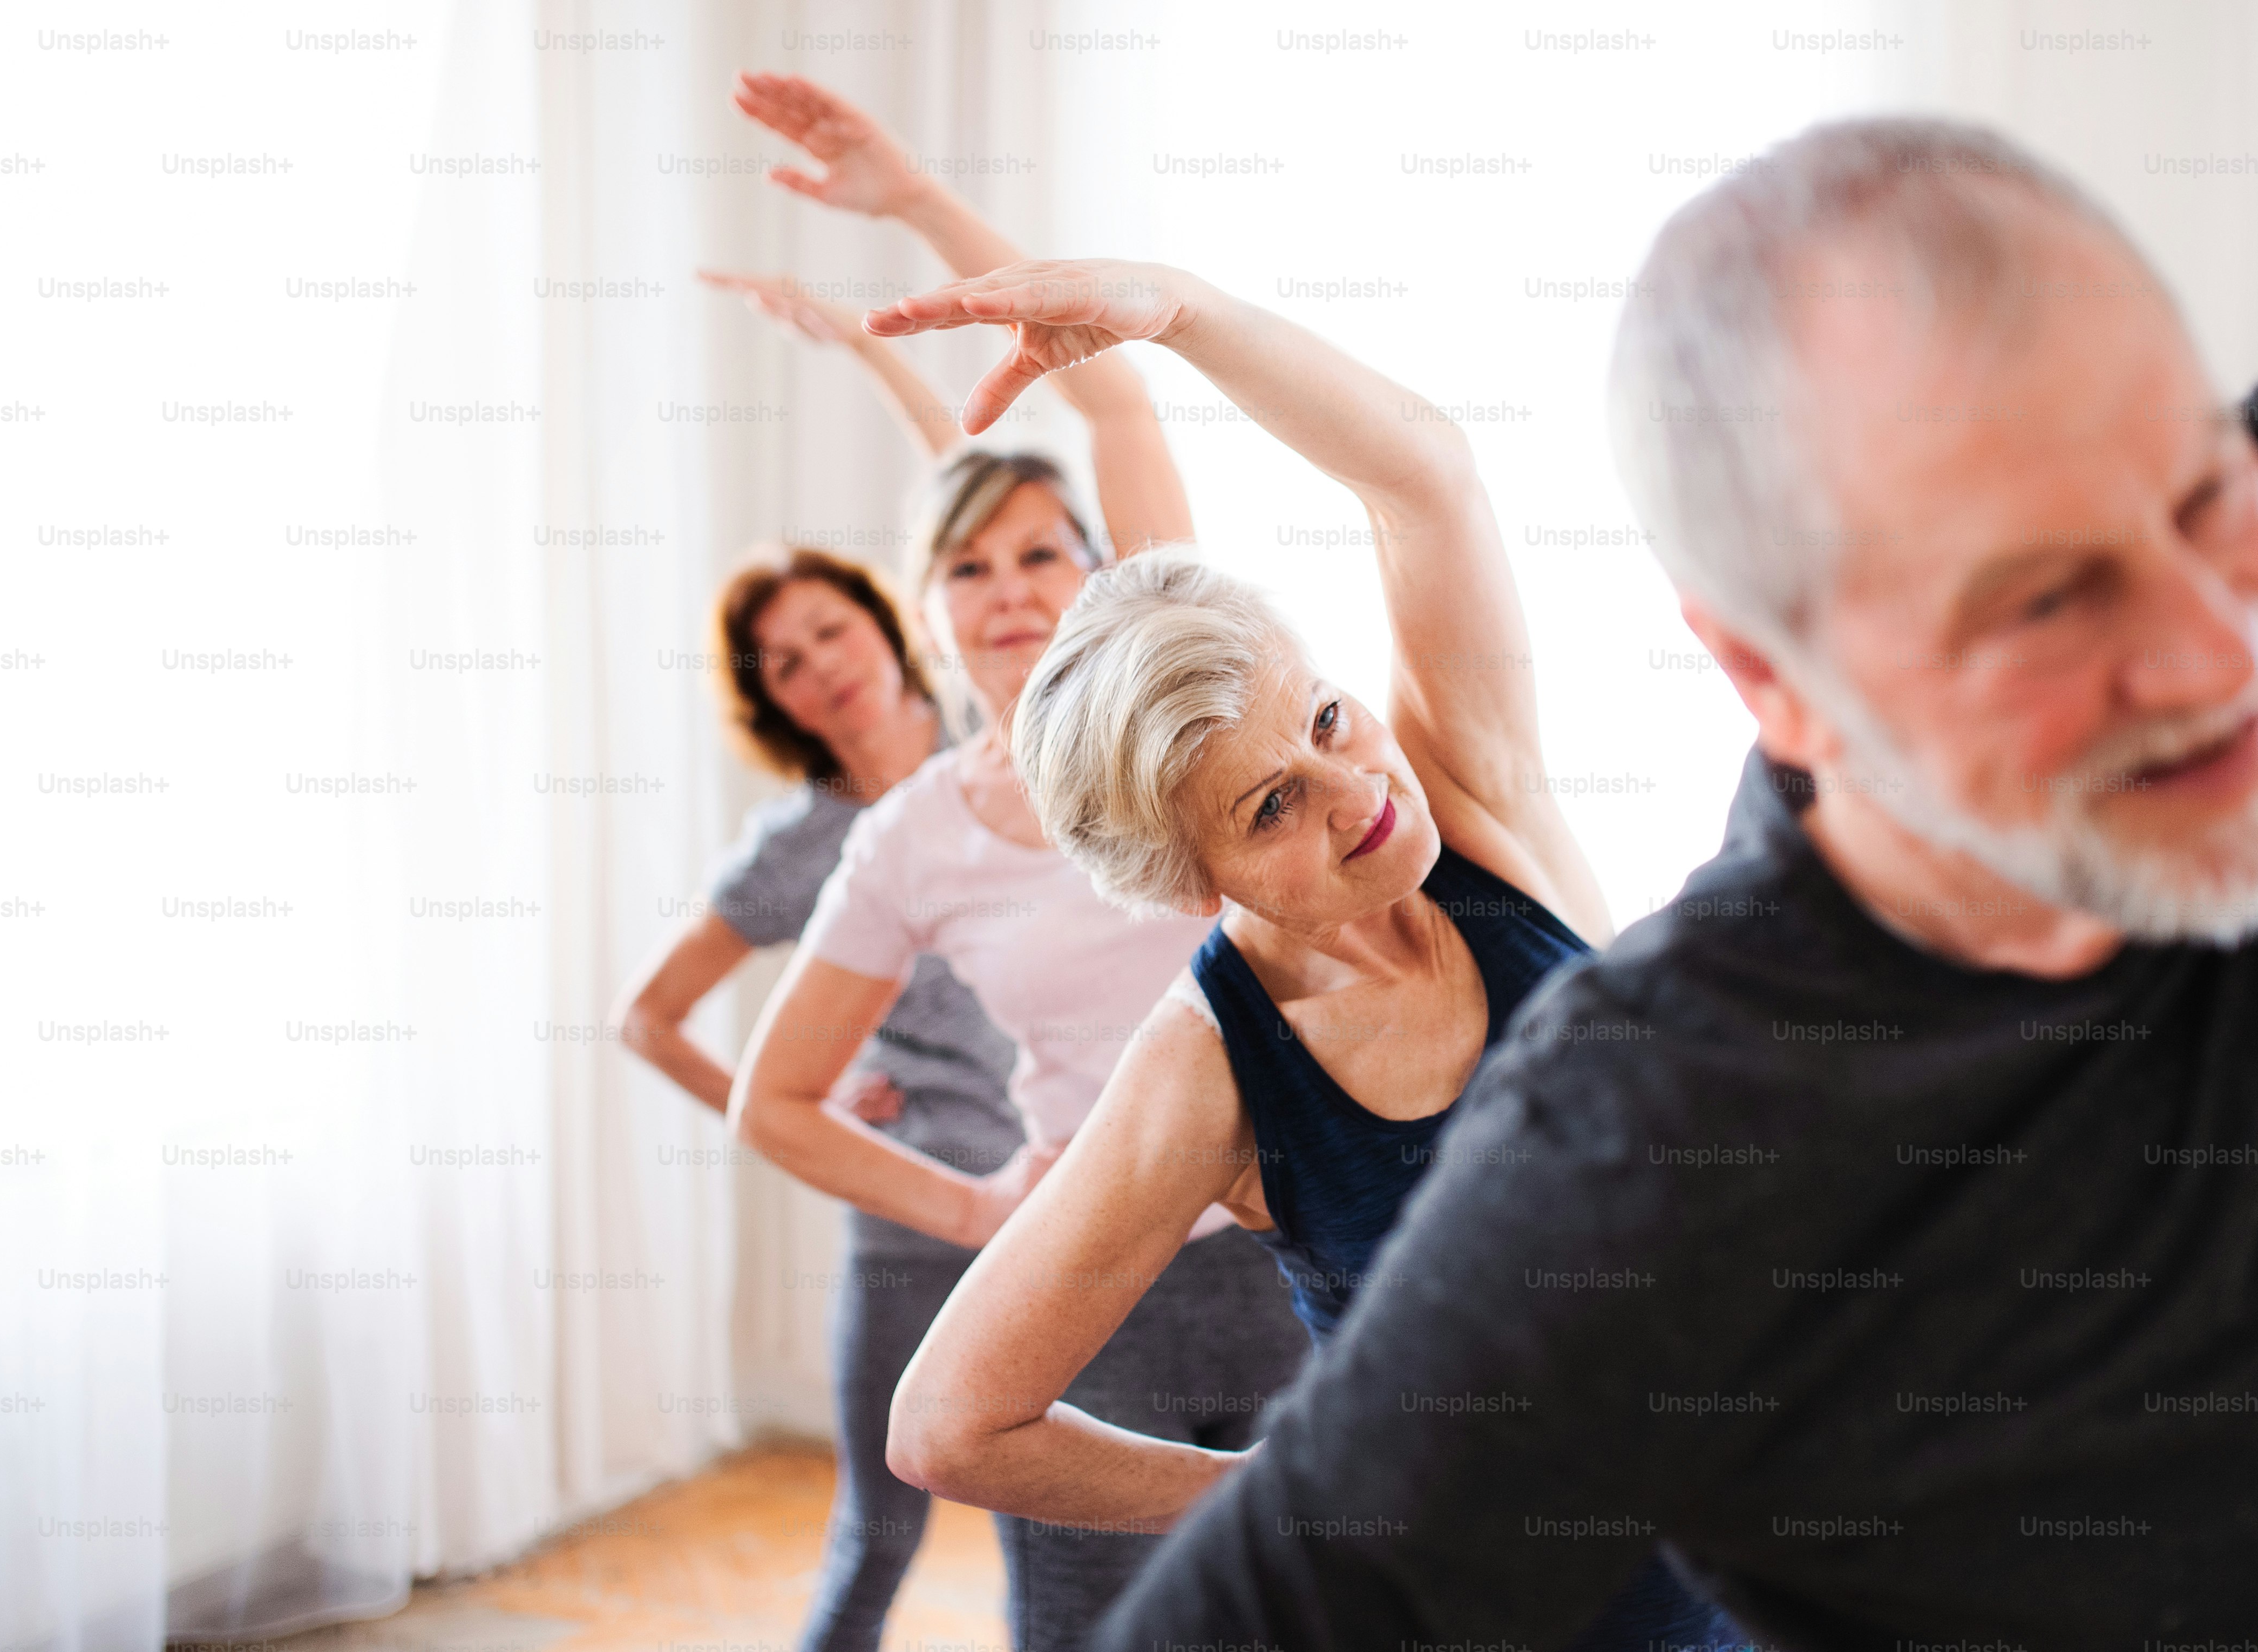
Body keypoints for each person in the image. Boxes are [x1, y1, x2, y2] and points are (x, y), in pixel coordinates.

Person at [1080, 0, 2258, 1646]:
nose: (2225, 652)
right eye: (2043, 602)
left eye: (2205, 491)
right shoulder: (1656, 1142)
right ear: (1769, 676)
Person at [852, 264, 1734, 1651]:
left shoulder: (1477, 813)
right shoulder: (1211, 1070)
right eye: (1270, 806)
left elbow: (1425, 475)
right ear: (1188, 878)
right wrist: (1275, 1498)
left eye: (1324, 718)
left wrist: (1184, 316)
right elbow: (948, 1424)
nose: (1355, 792)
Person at [724, 87, 1307, 1652]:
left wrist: (918, 199)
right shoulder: (906, 833)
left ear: (1103, 572)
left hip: (1290, 1230)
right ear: (930, 613)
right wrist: (982, 1209)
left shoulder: (1175, 714)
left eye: (1042, 551)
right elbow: (770, 1097)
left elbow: (1112, 392)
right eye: (966, 568)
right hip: (1087, 1267)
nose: (1006, 588)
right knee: (1089, 1623)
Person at [620, 265, 1019, 1652]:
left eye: (829, 630)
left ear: (886, 615)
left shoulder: (999, 711)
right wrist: (822, 1094)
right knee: (882, 1523)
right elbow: (650, 1020)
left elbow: (970, 489)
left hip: (1085, 1175)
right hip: (913, 1204)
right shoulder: (797, 845)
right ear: (772, 701)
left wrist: (860, 344)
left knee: (1067, 1513)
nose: (818, 667)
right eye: (782, 663)